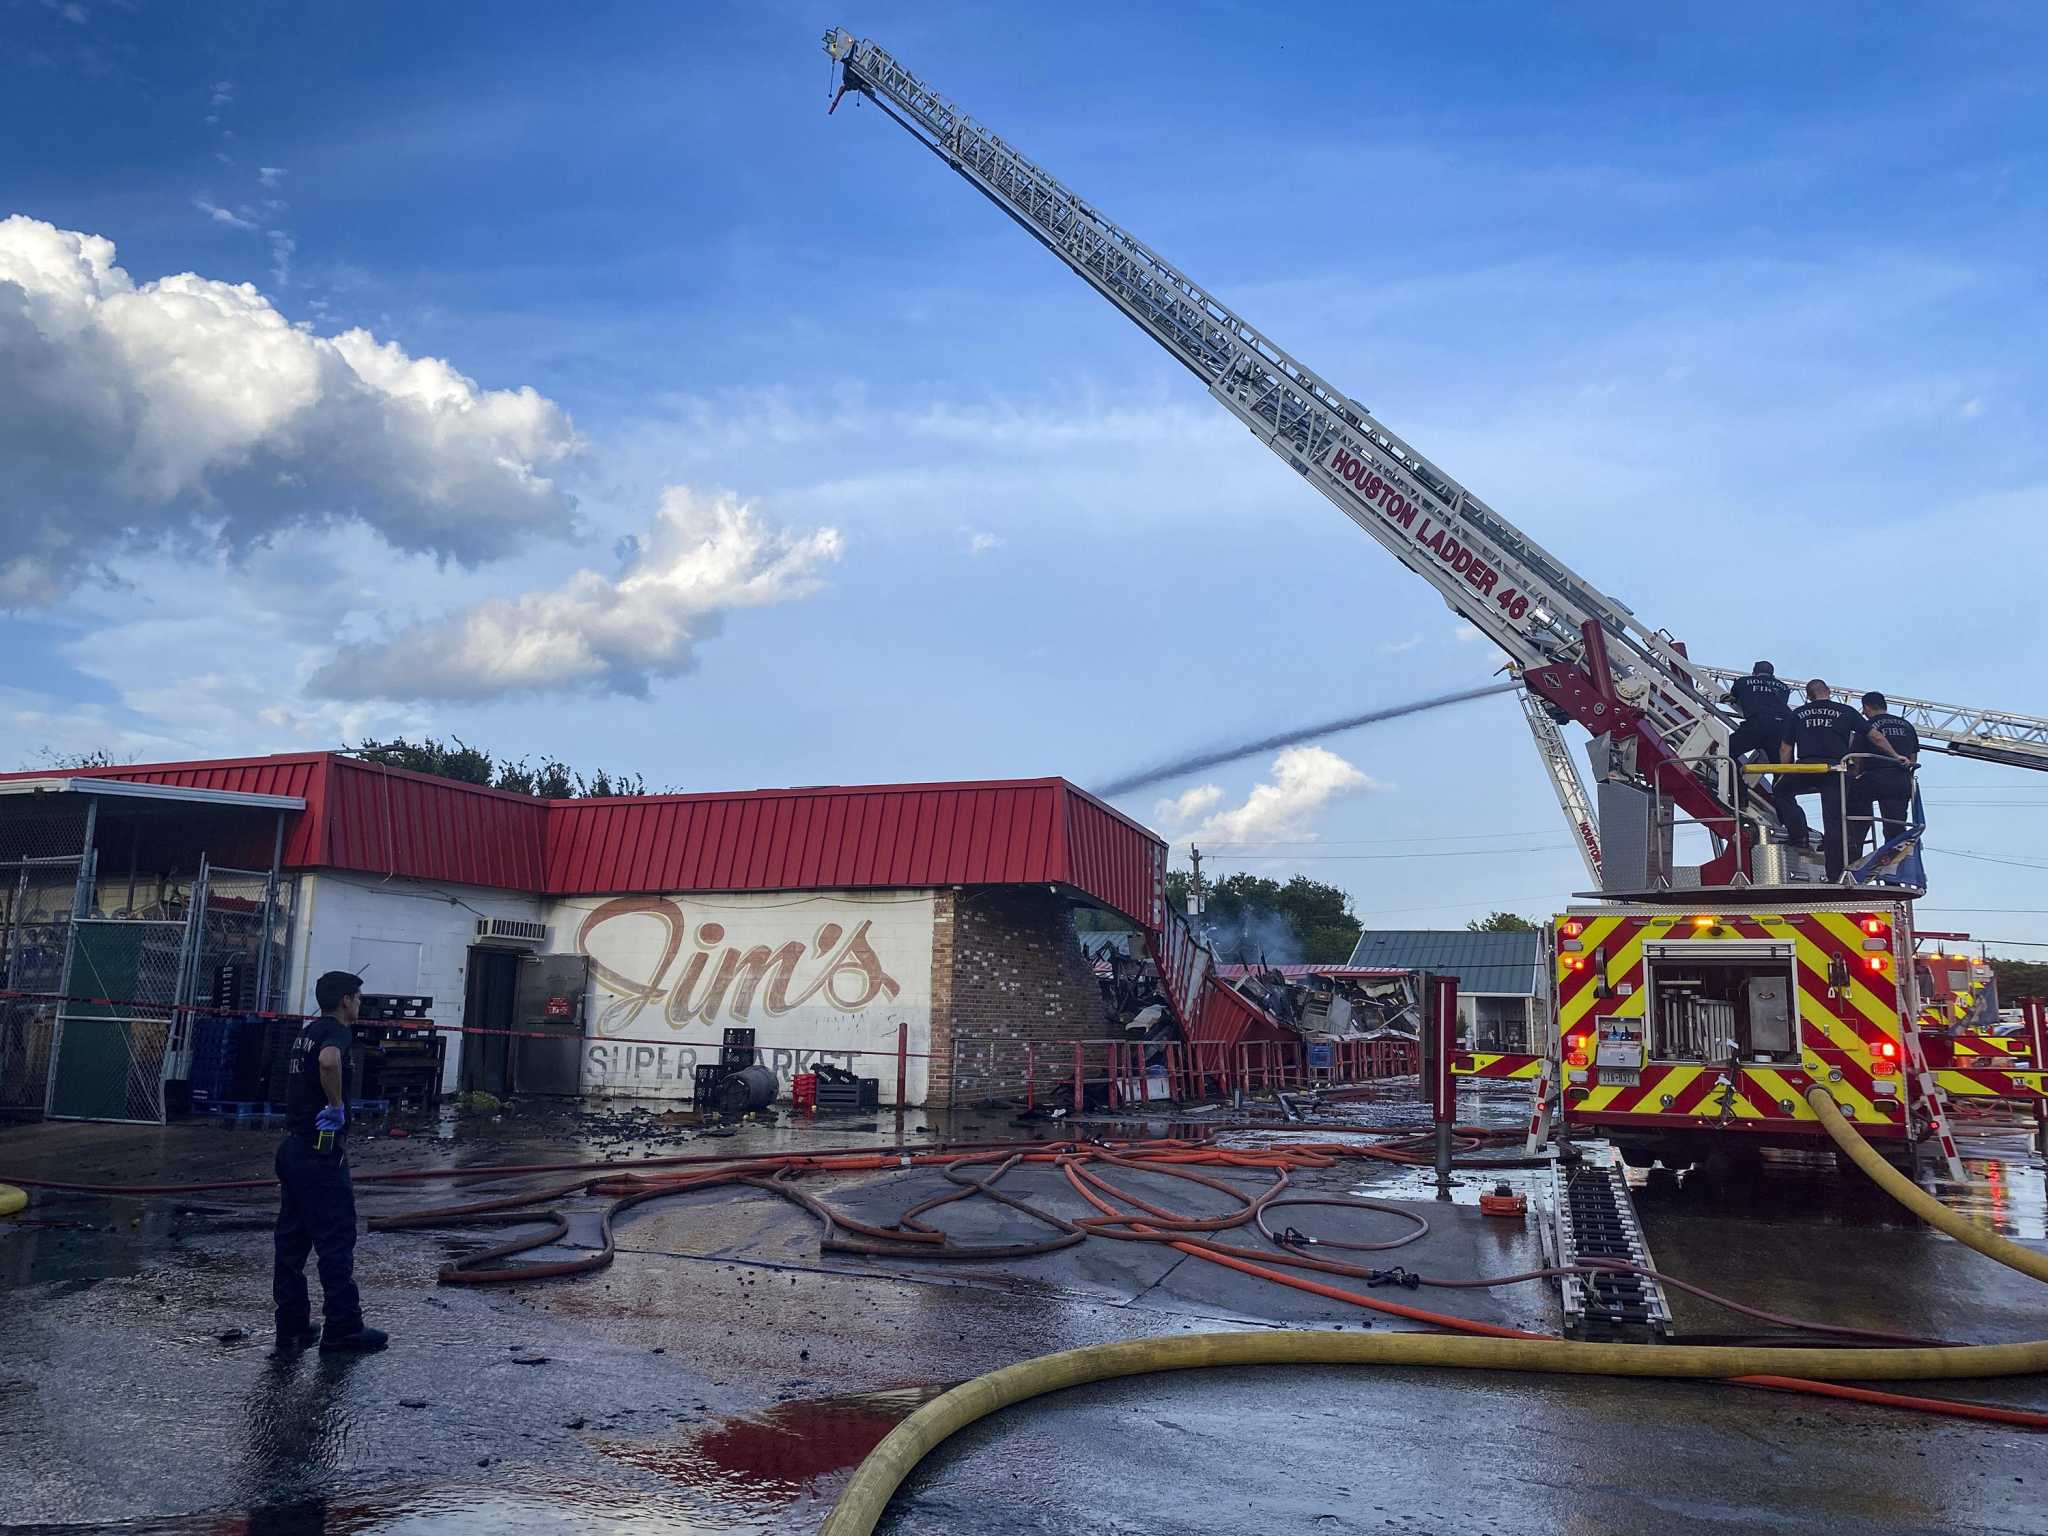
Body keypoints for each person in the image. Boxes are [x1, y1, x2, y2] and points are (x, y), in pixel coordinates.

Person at [273, 970, 387, 1355]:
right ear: (345, 1001)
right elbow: (328, 1062)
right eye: (358, 998)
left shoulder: (307, 1032)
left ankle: (291, 1326)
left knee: (291, 1242)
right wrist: (336, 1105)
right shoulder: (336, 1032)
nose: (360, 1004)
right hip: (320, 1152)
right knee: (336, 1239)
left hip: (293, 1148)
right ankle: (343, 1327)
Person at [1772, 679, 1865, 881]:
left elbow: (1785, 748)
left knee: (1781, 791)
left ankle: (1799, 835)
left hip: (1807, 767)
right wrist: (1894, 756)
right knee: (1833, 822)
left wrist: (1784, 772)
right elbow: (1873, 736)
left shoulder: (1797, 714)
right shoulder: (1846, 711)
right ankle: (1836, 874)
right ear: (1828, 691)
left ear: (1807, 696)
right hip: (1836, 770)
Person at [1848, 690, 1920, 860]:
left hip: (1873, 777)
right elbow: (1913, 757)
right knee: (1896, 827)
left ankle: (1853, 854)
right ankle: (1893, 866)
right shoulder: (1906, 725)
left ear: (1866, 707)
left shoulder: (1867, 725)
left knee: (1855, 814)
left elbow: (1857, 758)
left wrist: (1854, 776)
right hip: (1900, 780)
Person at [1722, 660, 1793, 766]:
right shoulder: (1784, 687)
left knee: (1724, 751)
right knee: (1783, 767)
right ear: (1773, 675)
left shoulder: (1743, 681)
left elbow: (1734, 697)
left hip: (1756, 725)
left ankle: (1737, 776)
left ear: (1754, 673)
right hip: (1781, 728)